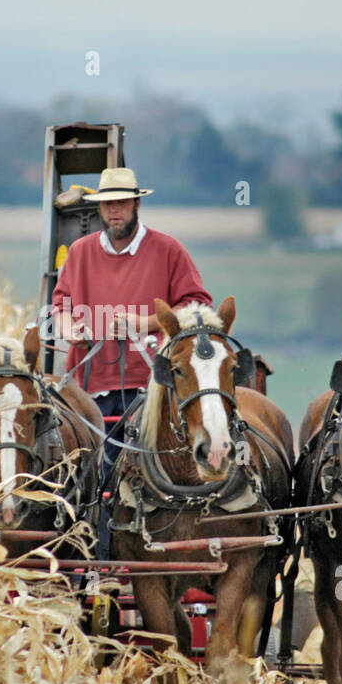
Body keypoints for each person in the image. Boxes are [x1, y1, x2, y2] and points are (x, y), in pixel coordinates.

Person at [50, 166, 212, 557]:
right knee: (93, 482)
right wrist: (69, 327)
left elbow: (197, 305)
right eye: (108, 205)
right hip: (90, 387)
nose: (115, 211)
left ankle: (155, 551)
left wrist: (143, 324)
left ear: (137, 203)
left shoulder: (168, 249)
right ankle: (96, 560)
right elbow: (60, 304)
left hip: (153, 388)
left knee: (149, 477)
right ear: (100, 209)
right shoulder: (80, 252)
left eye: (122, 203)